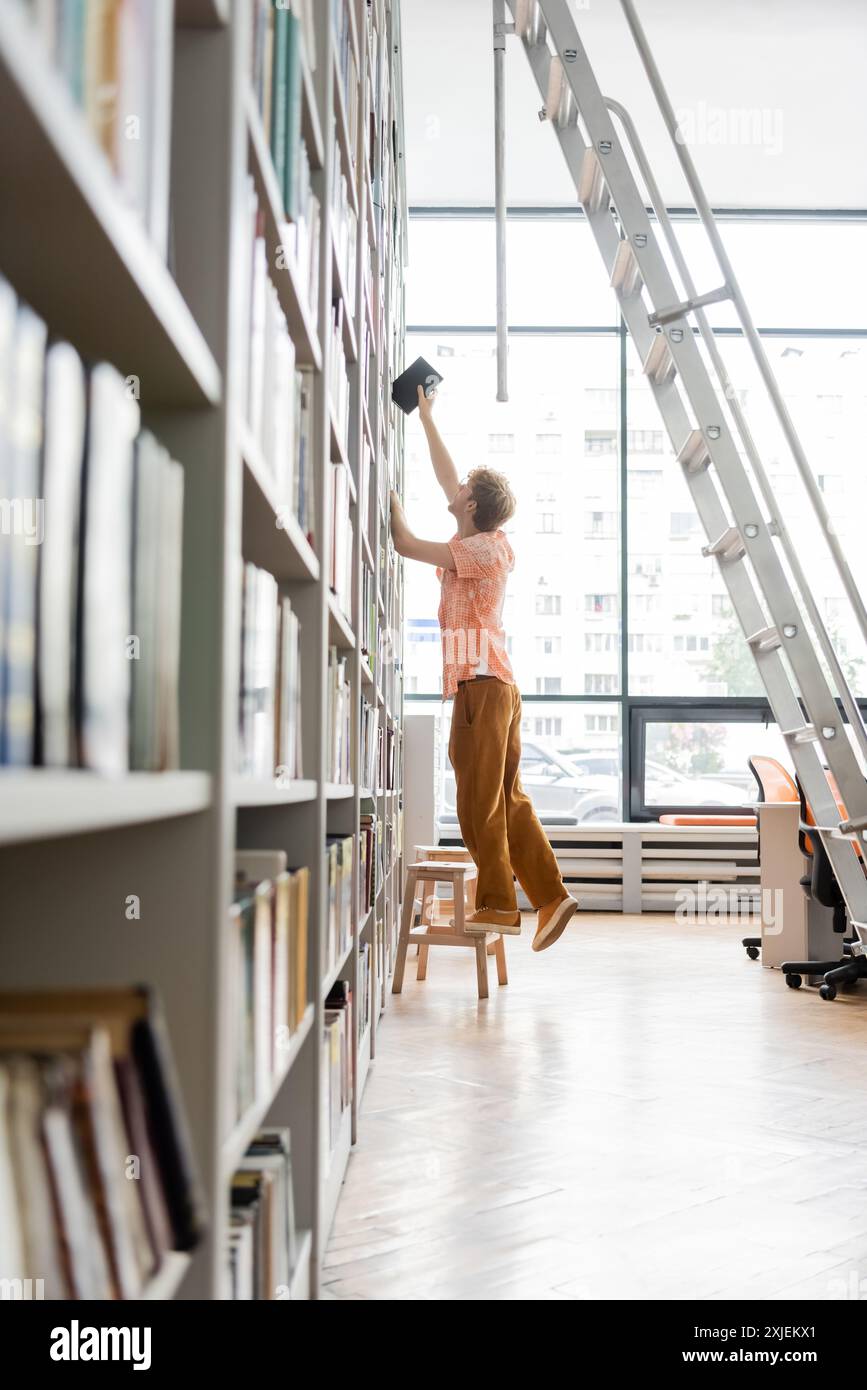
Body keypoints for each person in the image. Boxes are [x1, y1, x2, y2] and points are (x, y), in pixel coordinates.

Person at [389, 383, 579, 952]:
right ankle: (551, 897)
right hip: (494, 686)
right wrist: (426, 418)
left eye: (463, 490)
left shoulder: (482, 549)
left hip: (482, 686)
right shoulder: (477, 539)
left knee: (478, 803)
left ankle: (498, 904)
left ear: (472, 505)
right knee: (506, 798)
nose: (455, 490)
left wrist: (386, 495)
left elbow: (404, 543)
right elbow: (446, 475)